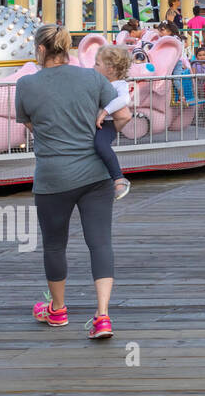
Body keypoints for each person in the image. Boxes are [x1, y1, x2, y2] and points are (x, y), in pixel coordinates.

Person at [15, 24, 130, 340]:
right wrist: (102, 131)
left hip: (53, 177)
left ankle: (58, 309)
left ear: (40, 50)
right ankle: (103, 316)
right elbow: (123, 116)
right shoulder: (92, 78)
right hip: (95, 175)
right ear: (67, 48)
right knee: (100, 242)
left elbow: (28, 121)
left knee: (54, 243)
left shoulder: (26, 84)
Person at [93, 45, 135, 201]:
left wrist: (105, 112)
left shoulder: (119, 85)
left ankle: (118, 179)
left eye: (97, 64)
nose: (93, 67)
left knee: (100, 145)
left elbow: (124, 100)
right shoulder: (99, 82)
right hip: (96, 122)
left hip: (107, 123)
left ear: (110, 69)